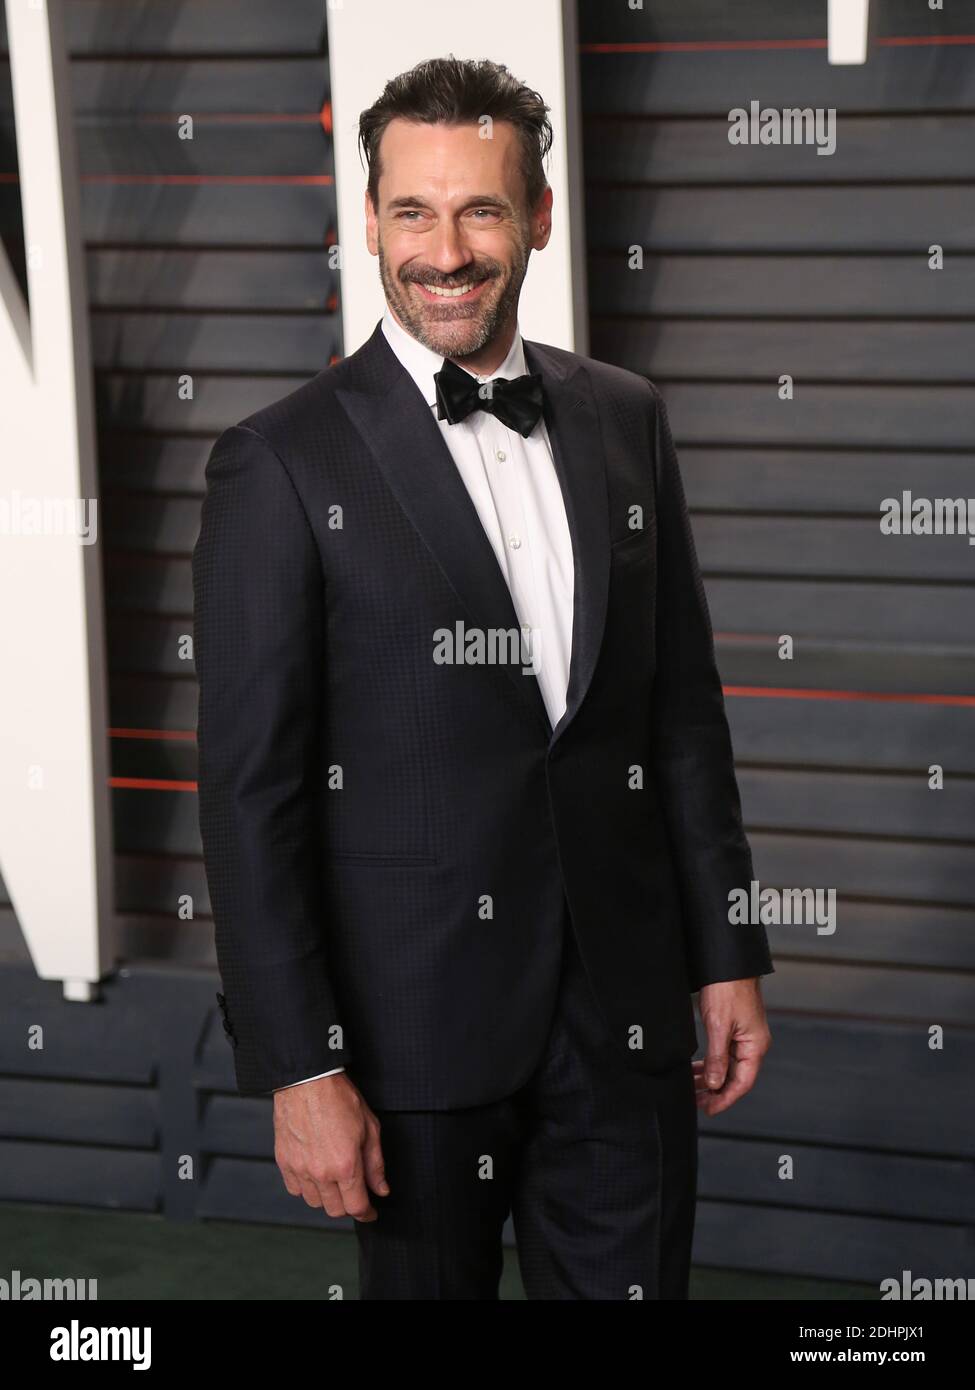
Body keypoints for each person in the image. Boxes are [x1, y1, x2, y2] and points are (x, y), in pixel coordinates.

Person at [192, 55, 774, 1301]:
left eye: (481, 210)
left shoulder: (627, 417)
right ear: (370, 222)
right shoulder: (278, 464)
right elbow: (250, 798)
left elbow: (677, 709)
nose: (444, 251)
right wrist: (302, 1067)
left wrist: (726, 950)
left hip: (622, 1014)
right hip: (406, 1037)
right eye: (413, 211)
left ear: (541, 218)